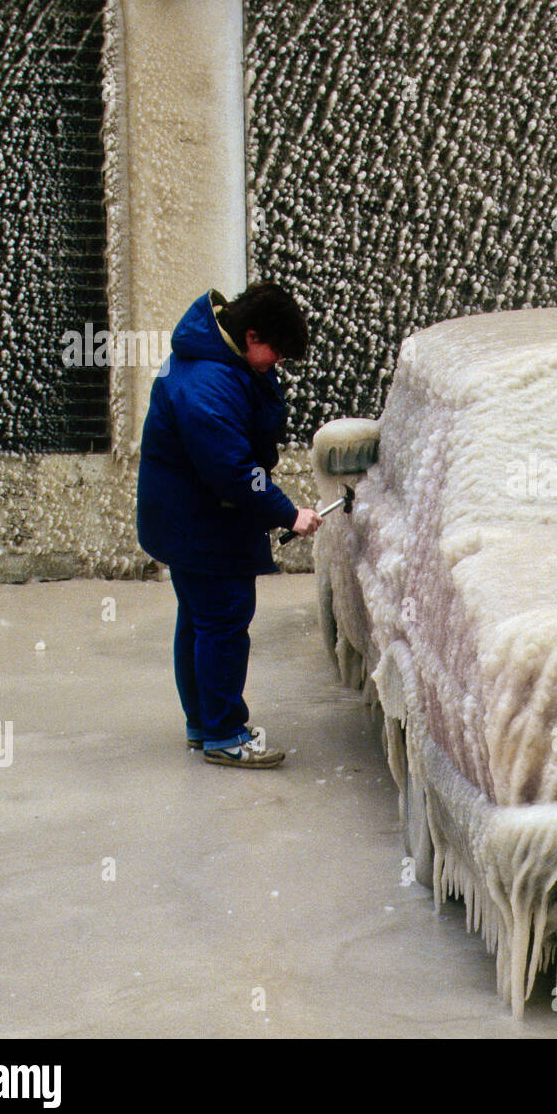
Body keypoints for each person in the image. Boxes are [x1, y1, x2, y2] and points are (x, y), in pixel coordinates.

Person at [136, 283, 322, 769]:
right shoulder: (209, 384)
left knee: (198, 619)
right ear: (251, 333)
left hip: (183, 518)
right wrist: (288, 514)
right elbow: (233, 470)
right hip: (203, 524)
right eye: (274, 355)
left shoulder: (208, 354)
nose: (273, 365)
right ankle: (225, 734)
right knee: (223, 620)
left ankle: (203, 723)